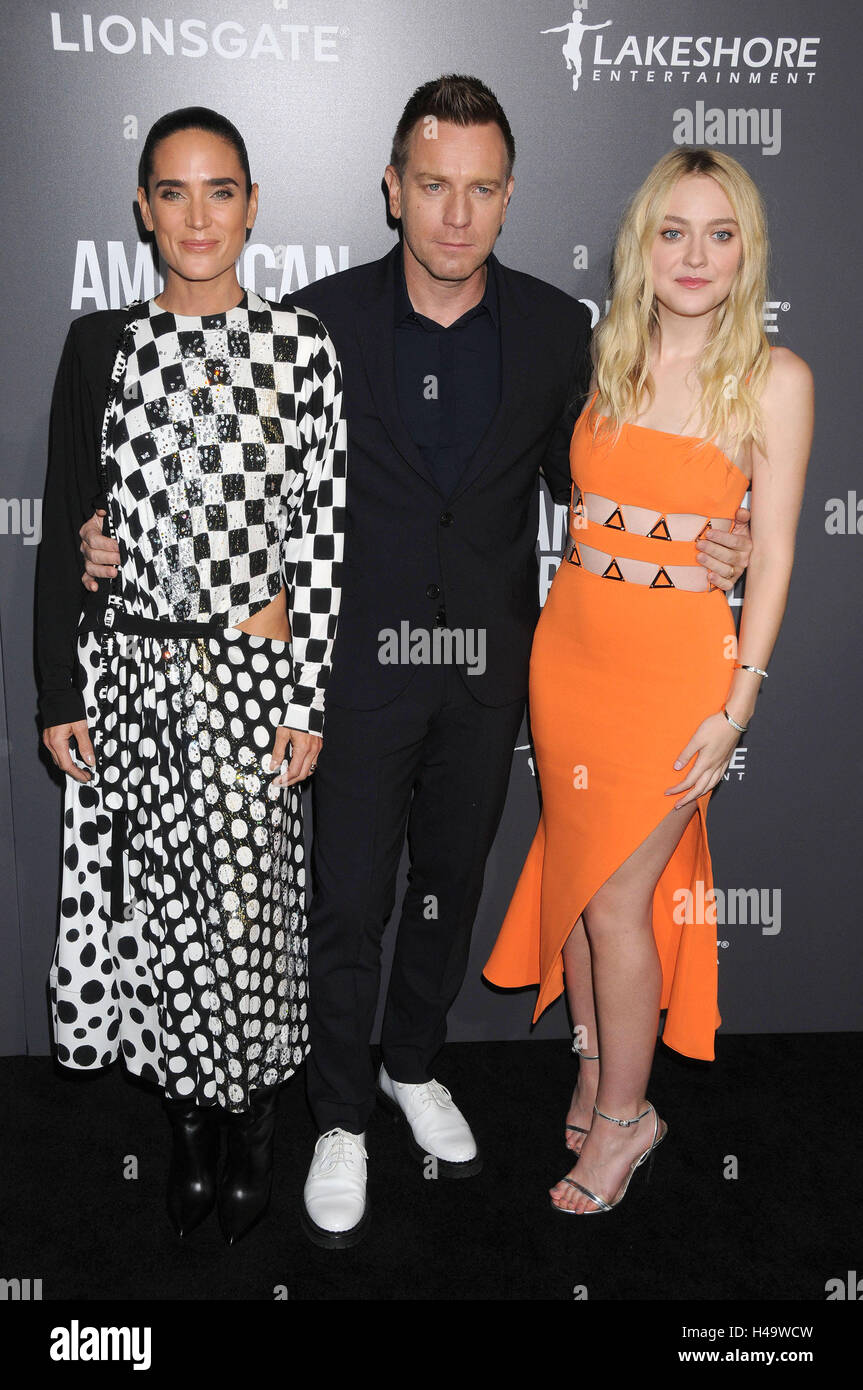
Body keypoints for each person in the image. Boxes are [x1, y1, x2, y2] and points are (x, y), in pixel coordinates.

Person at [77, 78, 751, 1249]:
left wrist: (715, 541)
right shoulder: (309, 325)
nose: (454, 213)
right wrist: (112, 539)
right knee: (345, 904)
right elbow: (221, 481)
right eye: (431, 185)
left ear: (505, 198)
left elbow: (592, 491)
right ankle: (338, 1115)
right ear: (392, 190)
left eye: (480, 188)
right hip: (345, 676)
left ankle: (409, 1063)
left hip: (492, 677)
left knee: (444, 892)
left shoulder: (558, 332)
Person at [36, 107, 346, 1244]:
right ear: (142, 209)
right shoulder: (98, 346)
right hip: (128, 676)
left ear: (254, 205)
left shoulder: (302, 346)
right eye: (173, 191)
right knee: (159, 922)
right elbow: (69, 525)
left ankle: (253, 1125)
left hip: (252, 684)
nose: (198, 215)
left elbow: (320, 534)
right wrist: (56, 693)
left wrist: (305, 690)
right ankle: (186, 1132)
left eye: (220, 191)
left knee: (250, 918)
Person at [484, 147, 813, 1214]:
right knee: (579, 894)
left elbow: (770, 552)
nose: (693, 254)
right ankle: (593, 1067)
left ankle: (628, 1120)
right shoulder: (602, 359)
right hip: (570, 647)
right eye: (672, 231)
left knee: (621, 903)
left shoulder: (774, 379)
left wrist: (739, 698)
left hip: (676, 670)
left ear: (745, 254)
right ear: (641, 245)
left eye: (719, 234)